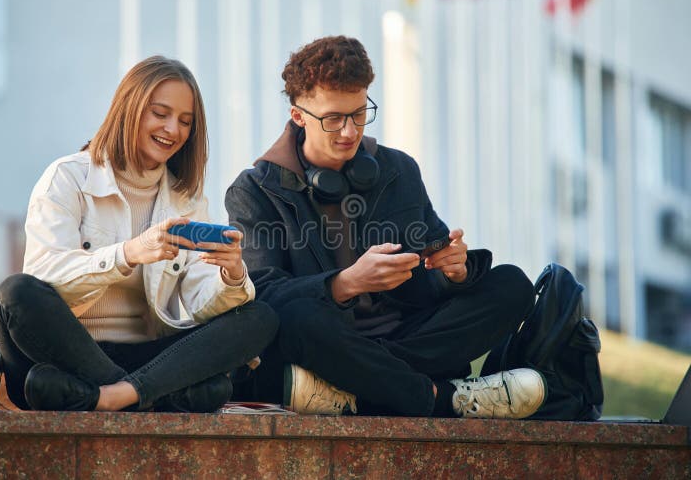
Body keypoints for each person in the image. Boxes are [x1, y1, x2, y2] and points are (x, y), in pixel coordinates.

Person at [225, 36, 545, 418]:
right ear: (298, 116)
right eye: (333, 119)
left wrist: (452, 272)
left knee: (512, 285)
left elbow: (428, 280)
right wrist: (347, 283)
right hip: (324, 338)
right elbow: (263, 295)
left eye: (360, 113)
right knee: (296, 318)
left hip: (394, 339)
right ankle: (441, 397)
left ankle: (355, 390)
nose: (349, 131)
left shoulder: (399, 170)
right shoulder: (254, 190)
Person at [0, 55, 278, 412]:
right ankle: (146, 396)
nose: (173, 129)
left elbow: (199, 301)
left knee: (259, 316)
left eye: (185, 121)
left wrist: (231, 277)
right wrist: (127, 254)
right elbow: (44, 278)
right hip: (64, 351)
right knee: (15, 292)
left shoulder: (186, 199)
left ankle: (106, 397)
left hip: (145, 358)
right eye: (160, 114)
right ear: (129, 109)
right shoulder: (67, 177)